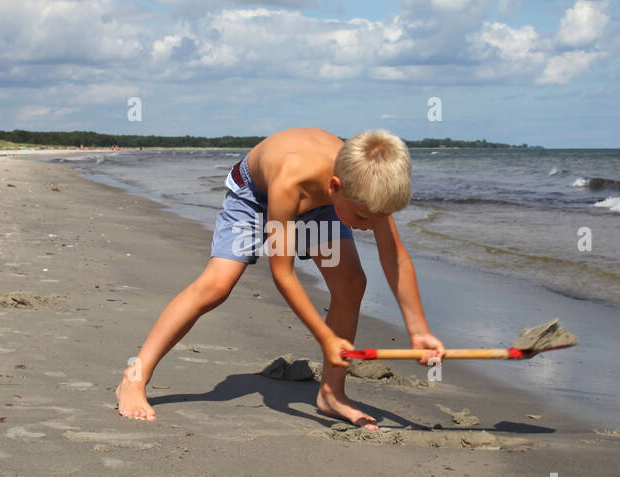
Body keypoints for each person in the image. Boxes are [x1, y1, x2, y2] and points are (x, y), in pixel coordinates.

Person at [116, 127, 444, 429]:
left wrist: (419, 330)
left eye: (378, 219)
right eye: (362, 218)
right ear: (336, 187)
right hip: (256, 196)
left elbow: (395, 257)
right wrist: (326, 339)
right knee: (217, 286)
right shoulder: (292, 180)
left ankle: (331, 392)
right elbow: (283, 273)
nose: (370, 226)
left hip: (324, 205)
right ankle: (135, 375)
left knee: (351, 283)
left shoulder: (368, 189)